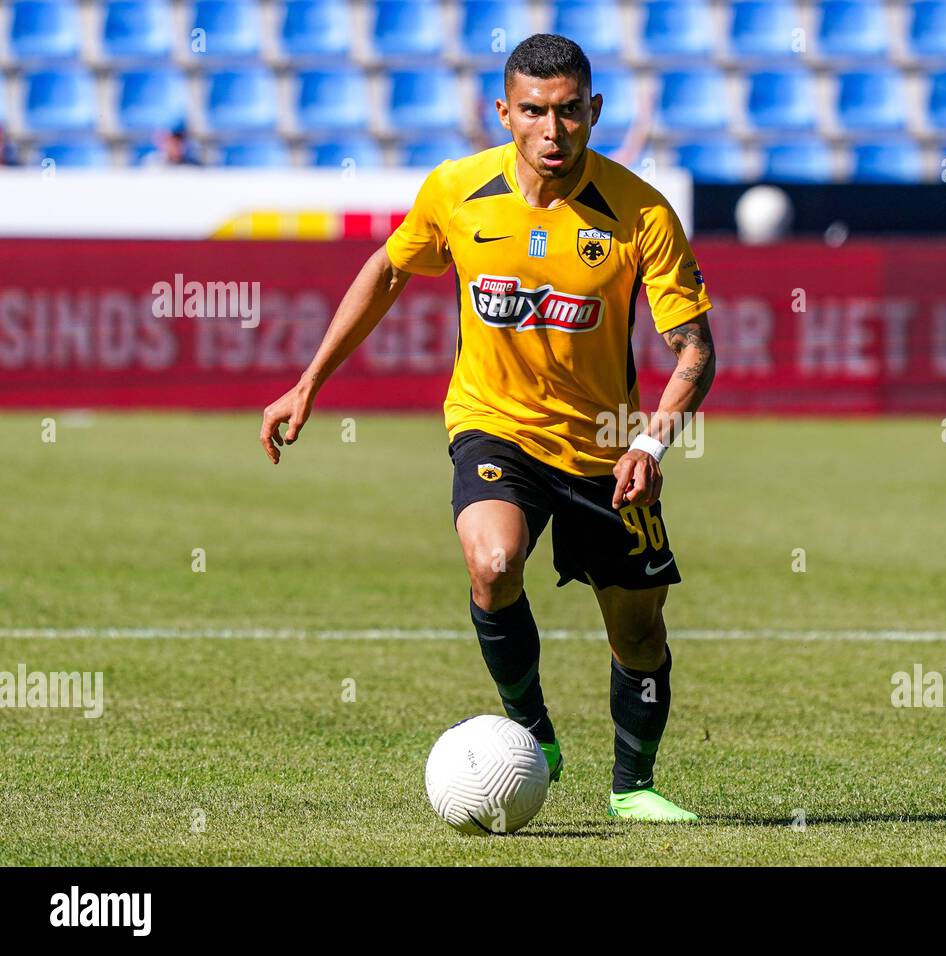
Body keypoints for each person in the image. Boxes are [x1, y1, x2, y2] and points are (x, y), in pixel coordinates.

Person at [259, 34, 716, 822]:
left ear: (594, 111)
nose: (552, 130)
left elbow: (695, 352)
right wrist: (309, 382)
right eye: (534, 111)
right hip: (492, 426)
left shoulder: (641, 212)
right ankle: (533, 733)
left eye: (570, 112)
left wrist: (649, 440)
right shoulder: (457, 191)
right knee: (494, 561)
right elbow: (390, 269)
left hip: (609, 449)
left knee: (638, 635)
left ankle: (634, 786)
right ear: (502, 112)